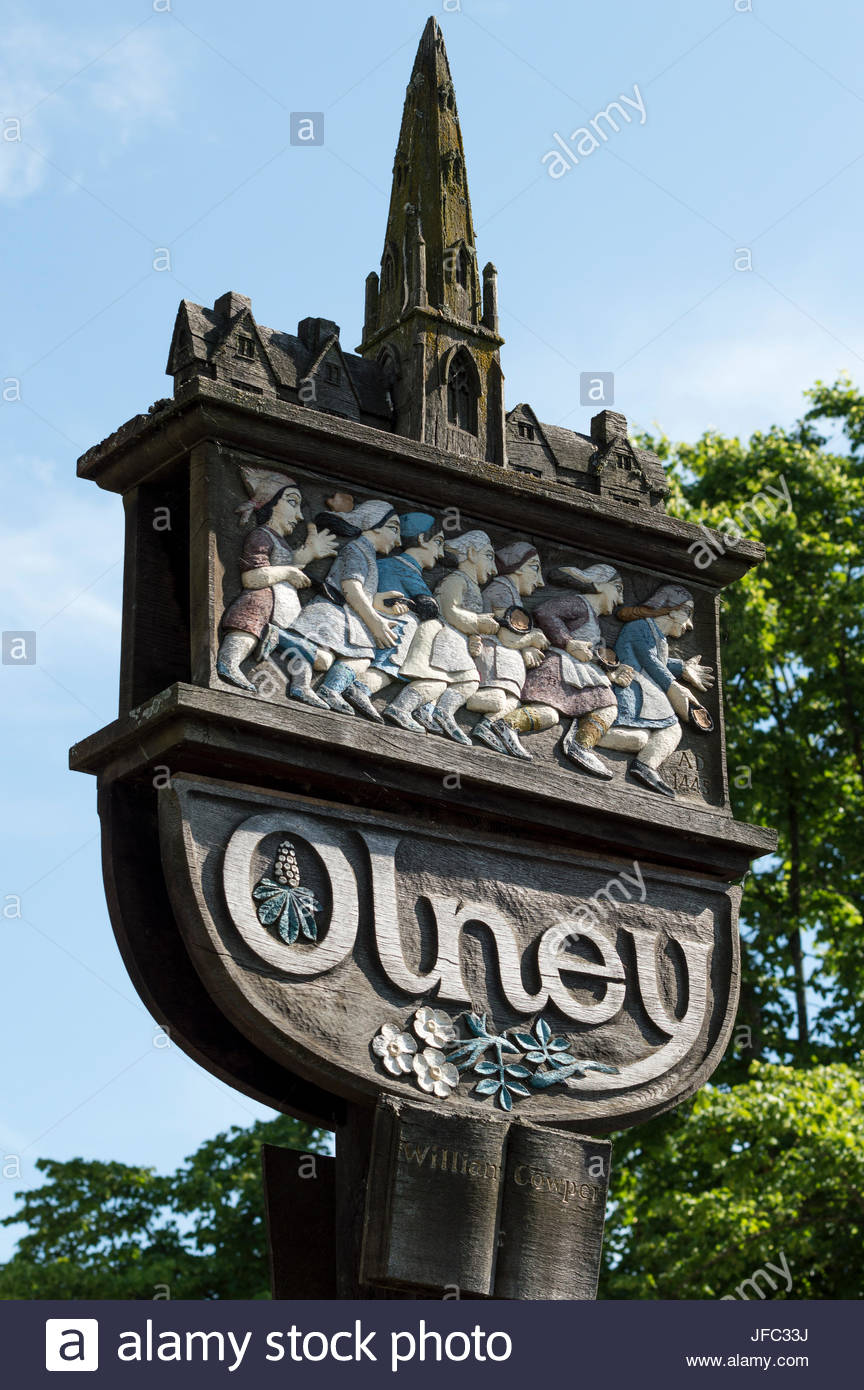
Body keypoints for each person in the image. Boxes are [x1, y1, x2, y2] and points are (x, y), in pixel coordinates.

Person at [216, 468, 337, 692]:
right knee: (247, 631)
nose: (299, 515)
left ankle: (301, 685)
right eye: (293, 502)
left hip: (285, 611)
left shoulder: (280, 542)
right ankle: (229, 664)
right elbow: (251, 577)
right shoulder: (261, 535)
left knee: (320, 657)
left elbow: (291, 563)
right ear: (272, 503)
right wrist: (288, 573)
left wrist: (310, 553)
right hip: (261, 604)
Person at [282, 500, 406, 714]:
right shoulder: (356, 550)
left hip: (344, 616)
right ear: (375, 525)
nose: (398, 541)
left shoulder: (367, 554)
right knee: (345, 656)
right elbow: (351, 587)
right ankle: (305, 681)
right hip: (332, 614)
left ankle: (322, 688)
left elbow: (360, 591)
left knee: (340, 658)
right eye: (394, 529)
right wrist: (375, 622)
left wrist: (380, 602)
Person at [598, 583, 714, 796]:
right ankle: (588, 731)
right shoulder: (638, 627)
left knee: (656, 734)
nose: (690, 625)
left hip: (647, 692)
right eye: (687, 613)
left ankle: (644, 766)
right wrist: (675, 686)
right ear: (670, 610)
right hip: (633, 691)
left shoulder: (657, 636)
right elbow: (650, 661)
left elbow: (658, 659)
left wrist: (682, 668)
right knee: (644, 736)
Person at [520, 563, 634, 778]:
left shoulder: (593, 618)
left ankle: (581, 745)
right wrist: (568, 642)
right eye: (618, 589)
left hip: (577, 671)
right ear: (600, 585)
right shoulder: (579, 604)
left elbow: (591, 654)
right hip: (558, 666)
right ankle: (504, 726)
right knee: (548, 714)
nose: (620, 600)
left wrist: (612, 672)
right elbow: (545, 611)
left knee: (608, 706)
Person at [404, 530, 500, 746]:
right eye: (489, 556)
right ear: (472, 553)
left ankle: (428, 711)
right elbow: (449, 610)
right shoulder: (456, 580)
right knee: (464, 680)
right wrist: (477, 623)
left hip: (458, 639)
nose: (494, 569)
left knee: (445, 681)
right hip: (446, 636)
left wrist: (474, 636)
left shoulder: (471, 584)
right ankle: (435, 712)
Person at [466, 542, 551, 759]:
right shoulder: (502, 590)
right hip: (493, 653)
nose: (540, 581)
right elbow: (506, 636)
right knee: (496, 699)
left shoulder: (512, 594)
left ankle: (487, 725)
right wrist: (532, 639)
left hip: (504, 657)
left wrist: (526, 648)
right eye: (535, 568)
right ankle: (456, 696)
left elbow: (514, 635)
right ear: (518, 566)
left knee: (511, 701)